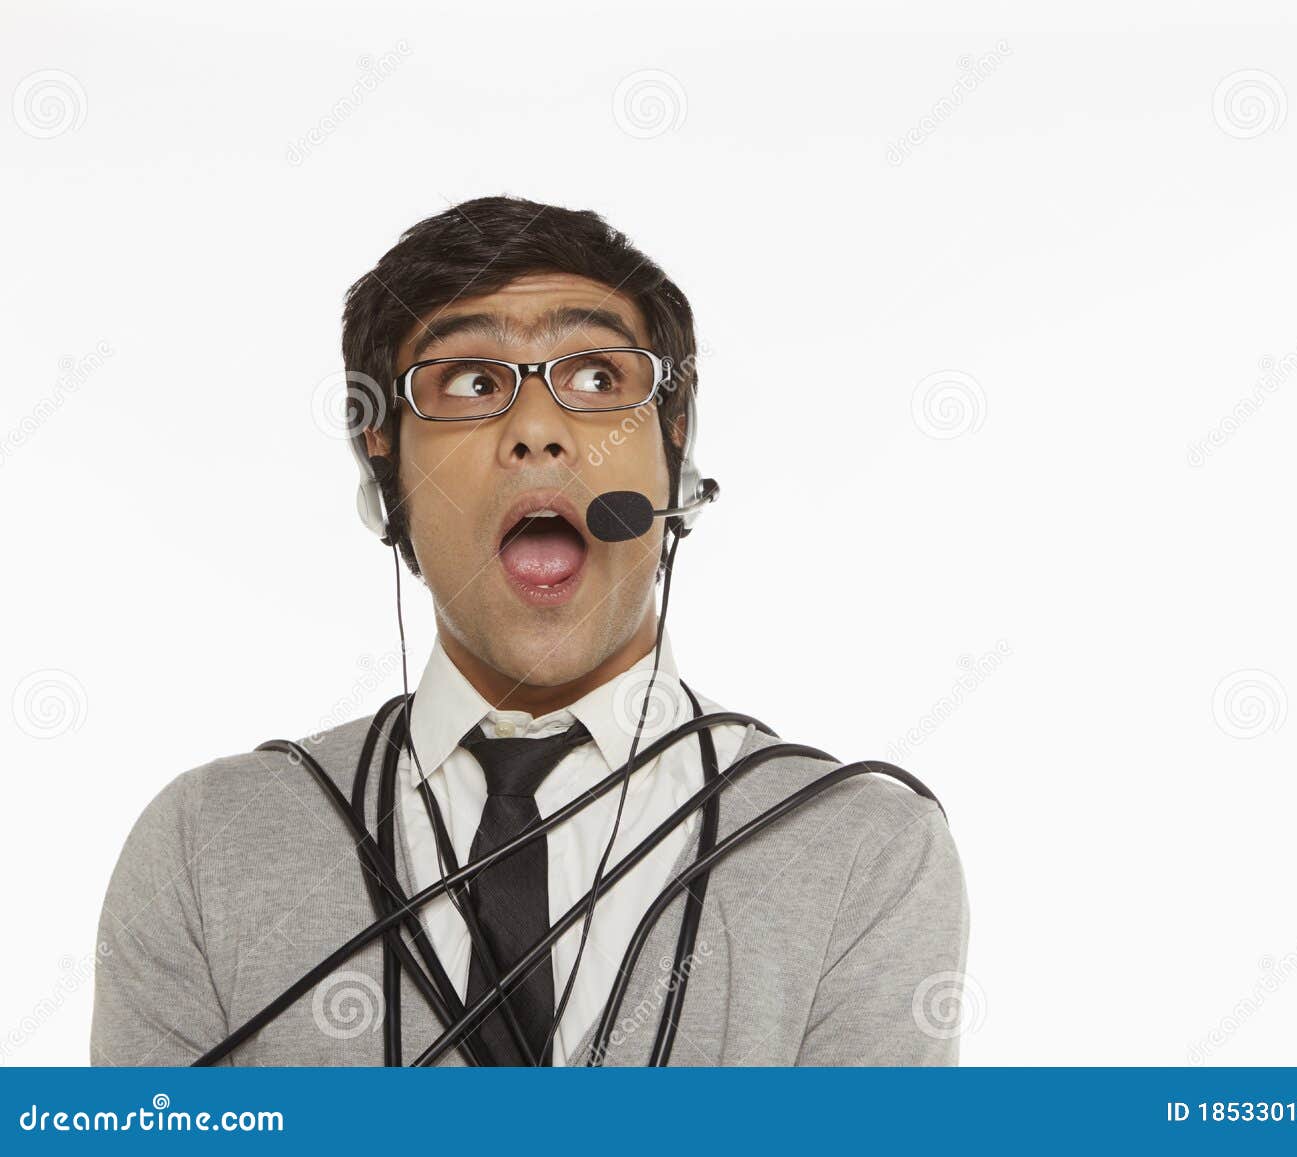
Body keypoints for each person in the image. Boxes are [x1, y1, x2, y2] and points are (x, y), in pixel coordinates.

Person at [90, 196, 969, 1066]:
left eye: (596, 378)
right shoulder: (207, 845)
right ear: (383, 470)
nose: (538, 431)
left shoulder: (859, 848)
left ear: (676, 444)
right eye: (473, 382)